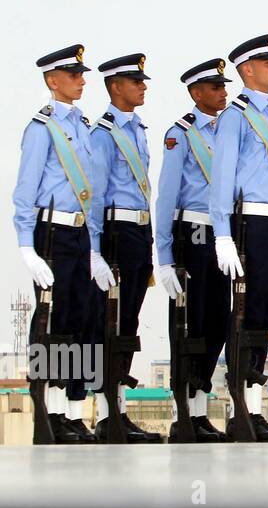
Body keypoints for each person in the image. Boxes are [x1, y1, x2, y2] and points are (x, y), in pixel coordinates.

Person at [210, 34, 268, 442]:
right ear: (247, 69)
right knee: (246, 315)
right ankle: (241, 407)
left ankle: (256, 402)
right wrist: (222, 235)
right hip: (251, 225)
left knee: (265, 316)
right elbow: (222, 180)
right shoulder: (237, 117)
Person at [14, 45, 100, 444]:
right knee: (52, 323)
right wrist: (25, 247)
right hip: (51, 233)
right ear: (53, 80)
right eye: (73, 74)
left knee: (80, 320)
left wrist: (94, 246)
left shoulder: (83, 125)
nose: (82, 80)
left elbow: (91, 192)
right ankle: (46, 409)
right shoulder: (41, 128)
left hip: (79, 233)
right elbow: (25, 191)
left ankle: (71, 410)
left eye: (82, 74)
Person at [155, 57, 233, 442]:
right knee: (189, 325)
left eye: (224, 86)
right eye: (215, 87)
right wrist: (165, 256)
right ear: (195, 93)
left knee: (218, 321)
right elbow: (166, 196)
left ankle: (201, 410)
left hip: (223, 238)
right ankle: (182, 413)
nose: (223, 92)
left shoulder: (230, 131)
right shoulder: (181, 134)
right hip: (192, 234)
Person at [87, 53, 160, 442]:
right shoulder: (103, 133)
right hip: (114, 230)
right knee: (107, 324)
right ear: (116, 87)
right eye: (136, 82)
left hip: (137, 233)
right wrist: (94, 249)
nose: (143, 86)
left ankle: (118, 407)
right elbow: (95, 194)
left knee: (128, 321)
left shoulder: (136, 129)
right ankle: (104, 413)